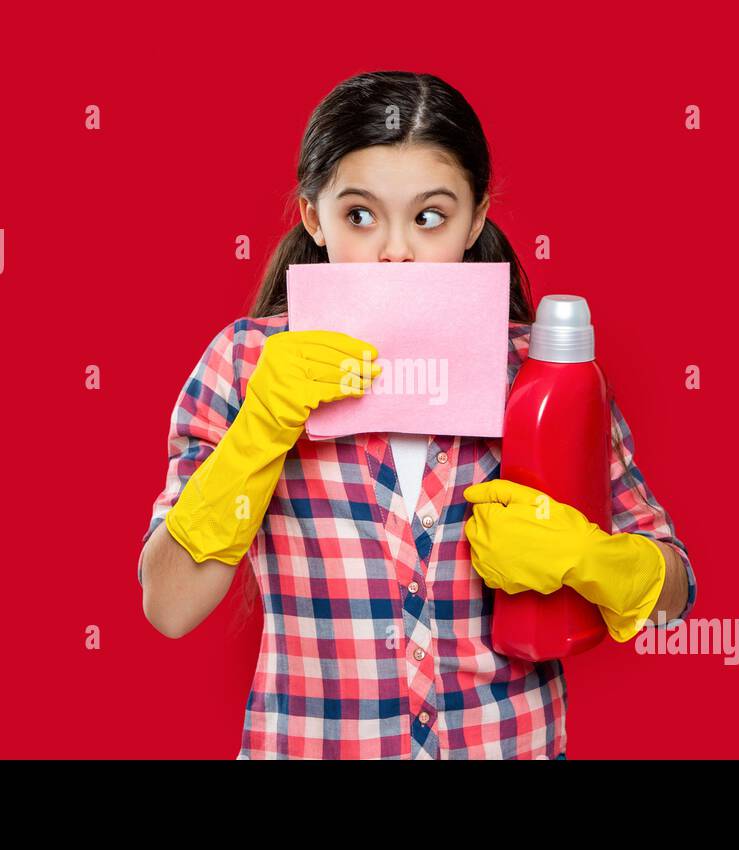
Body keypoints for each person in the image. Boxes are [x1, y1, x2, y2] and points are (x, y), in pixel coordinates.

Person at [138, 71, 696, 759]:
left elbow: (674, 596)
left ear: (476, 219)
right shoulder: (246, 364)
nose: (396, 250)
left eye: (430, 216)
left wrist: (599, 563)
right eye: (360, 215)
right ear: (314, 217)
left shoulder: (544, 377)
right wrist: (257, 434)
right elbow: (168, 606)